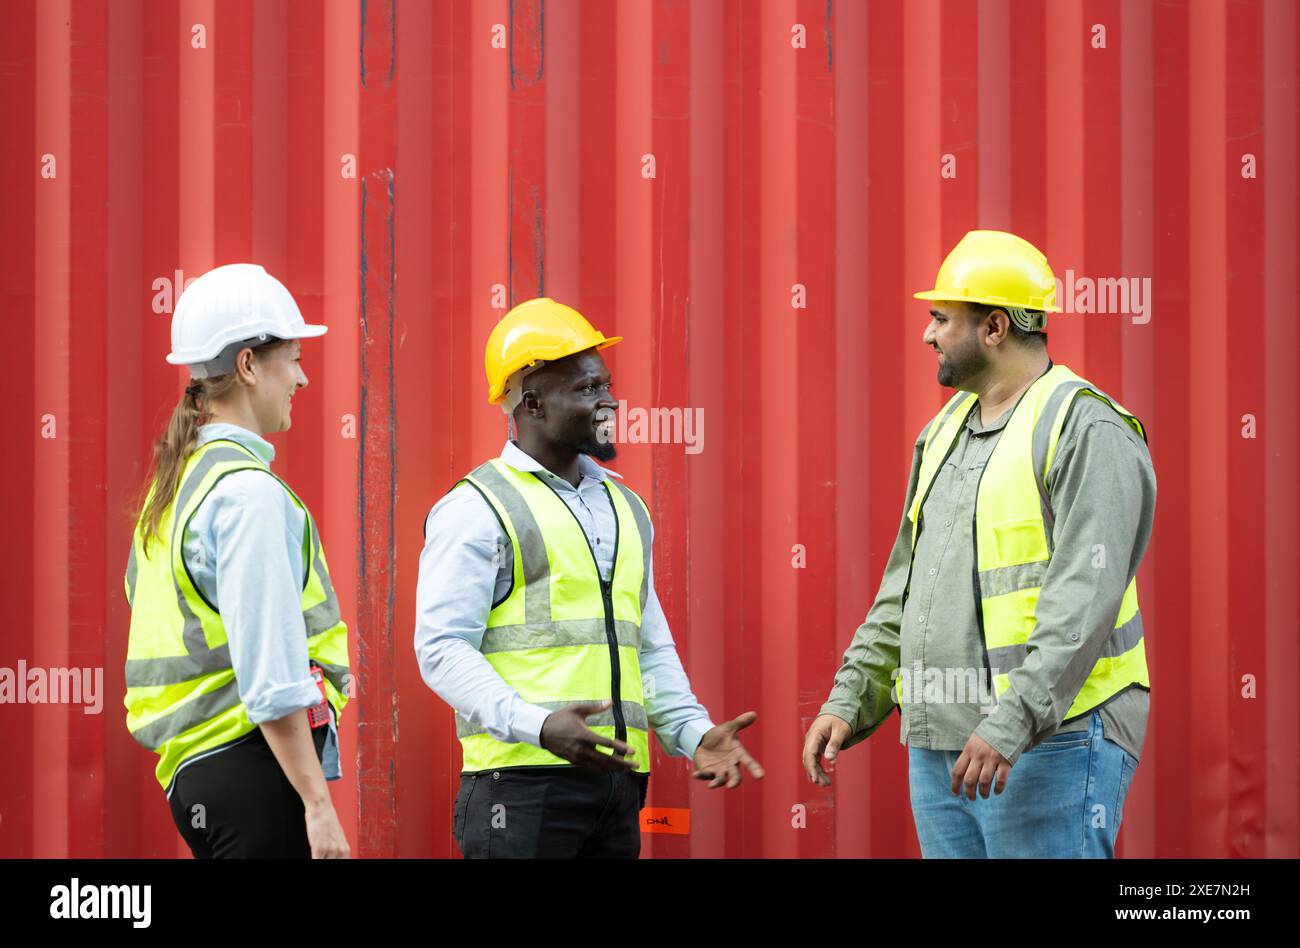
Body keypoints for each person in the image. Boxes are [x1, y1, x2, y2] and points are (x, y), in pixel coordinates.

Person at [802, 230, 1155, 858]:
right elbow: (904, 591)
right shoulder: (943, 432)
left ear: (994, 327)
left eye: (941, 318)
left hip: (1051, 741)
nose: (927, 334)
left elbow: (1084, 599)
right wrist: (851, 698)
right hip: (946, 743)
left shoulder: (1086, 428)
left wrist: (1011, 723)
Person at [416, 297, 764, 858]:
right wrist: (538, 725)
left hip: (617, 789)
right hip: (520, 790)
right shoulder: (476, 508)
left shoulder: (625, 507)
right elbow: (441, 649)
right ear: (530, 402)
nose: (609, 402)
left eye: (606, 385)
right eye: (586, 390)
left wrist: (693, 732)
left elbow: (647, 647)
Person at [124, 263, 352, 859]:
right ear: (249, 365)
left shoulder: (177, 485)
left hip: (199, 774)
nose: (302, 378)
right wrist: (318, 805)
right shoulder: (248, 493)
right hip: (250, 766)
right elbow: (272, 677)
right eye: (294, 358)